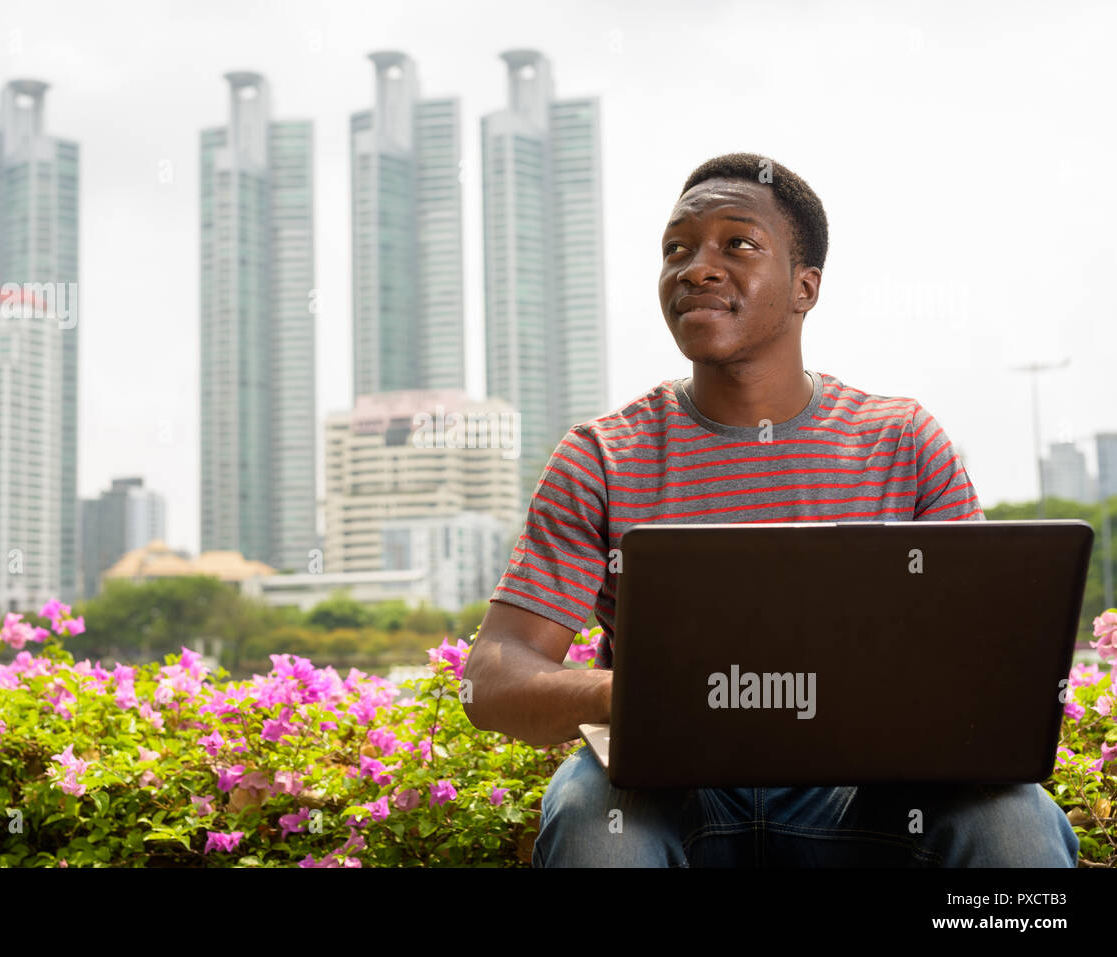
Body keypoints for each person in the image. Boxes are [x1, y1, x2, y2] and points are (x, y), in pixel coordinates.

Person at [460, 152, 1079, 867]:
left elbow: (979, 664)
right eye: (676, 249)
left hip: (867, 799)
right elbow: (495, 672)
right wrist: (642, 695)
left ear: (804, 287)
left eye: (738, 244)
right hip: (670, 796)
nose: (696, 267)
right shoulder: (603, 455)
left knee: (1011, 820)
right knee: (592, 818)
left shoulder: (903, 442)